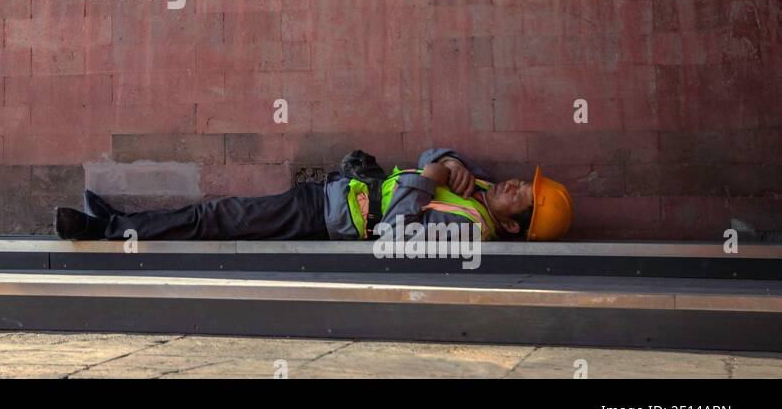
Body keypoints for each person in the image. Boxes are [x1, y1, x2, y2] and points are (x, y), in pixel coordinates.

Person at [54, 147, 574, 242]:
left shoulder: (469, 228)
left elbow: (399, 234)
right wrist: (451, 160)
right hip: (329, 196)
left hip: (326, 219)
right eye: (523, 183)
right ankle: (119, 222)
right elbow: (433, 156)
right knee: (218, 214)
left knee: (219, 217)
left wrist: (434, 173)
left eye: (521, 198)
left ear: (512, 226)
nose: (512, 186)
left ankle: (110, 228)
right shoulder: (479, 190)